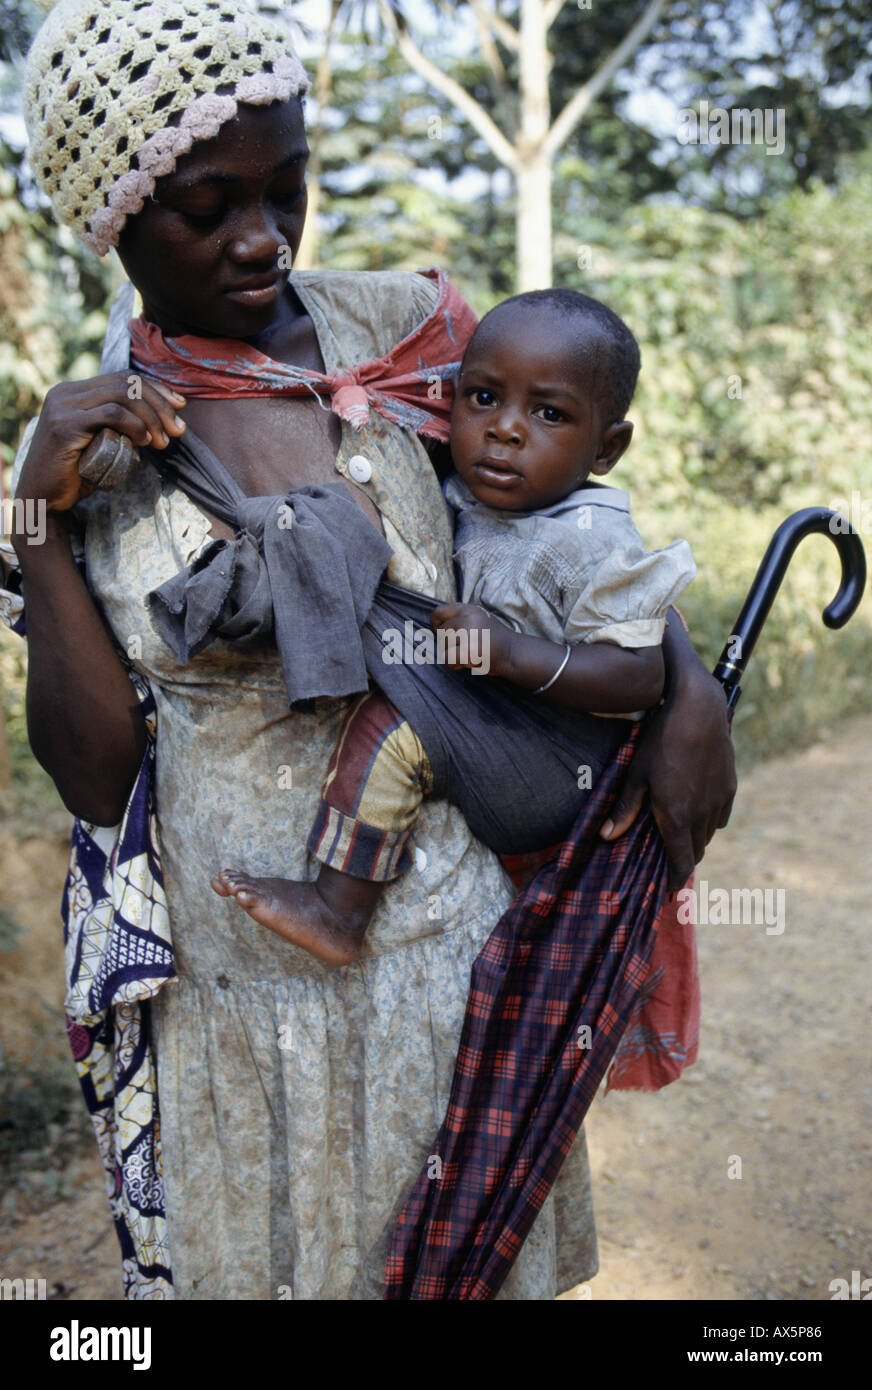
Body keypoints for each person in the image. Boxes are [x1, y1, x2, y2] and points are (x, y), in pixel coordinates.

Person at [6, 0, 735, 1299]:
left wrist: (685, 690)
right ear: (109, 214)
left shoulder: (411, 337)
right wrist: (37, 519)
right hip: (245, 996)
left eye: (287, 186)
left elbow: (565, 539)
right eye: (208, 206)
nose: (265, 239)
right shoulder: (92, 448)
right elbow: (94, 773)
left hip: (451, 963)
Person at [203, 289, 698, 966]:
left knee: (391, 733)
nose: (505, 430)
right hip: (493, 723)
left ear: (607, 448)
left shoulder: (594, 538)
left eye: (549, 413)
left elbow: (639, 675)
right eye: (484, 398)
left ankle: (339, 909)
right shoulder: (463, 492)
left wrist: (508, 653)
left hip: (556, 758)